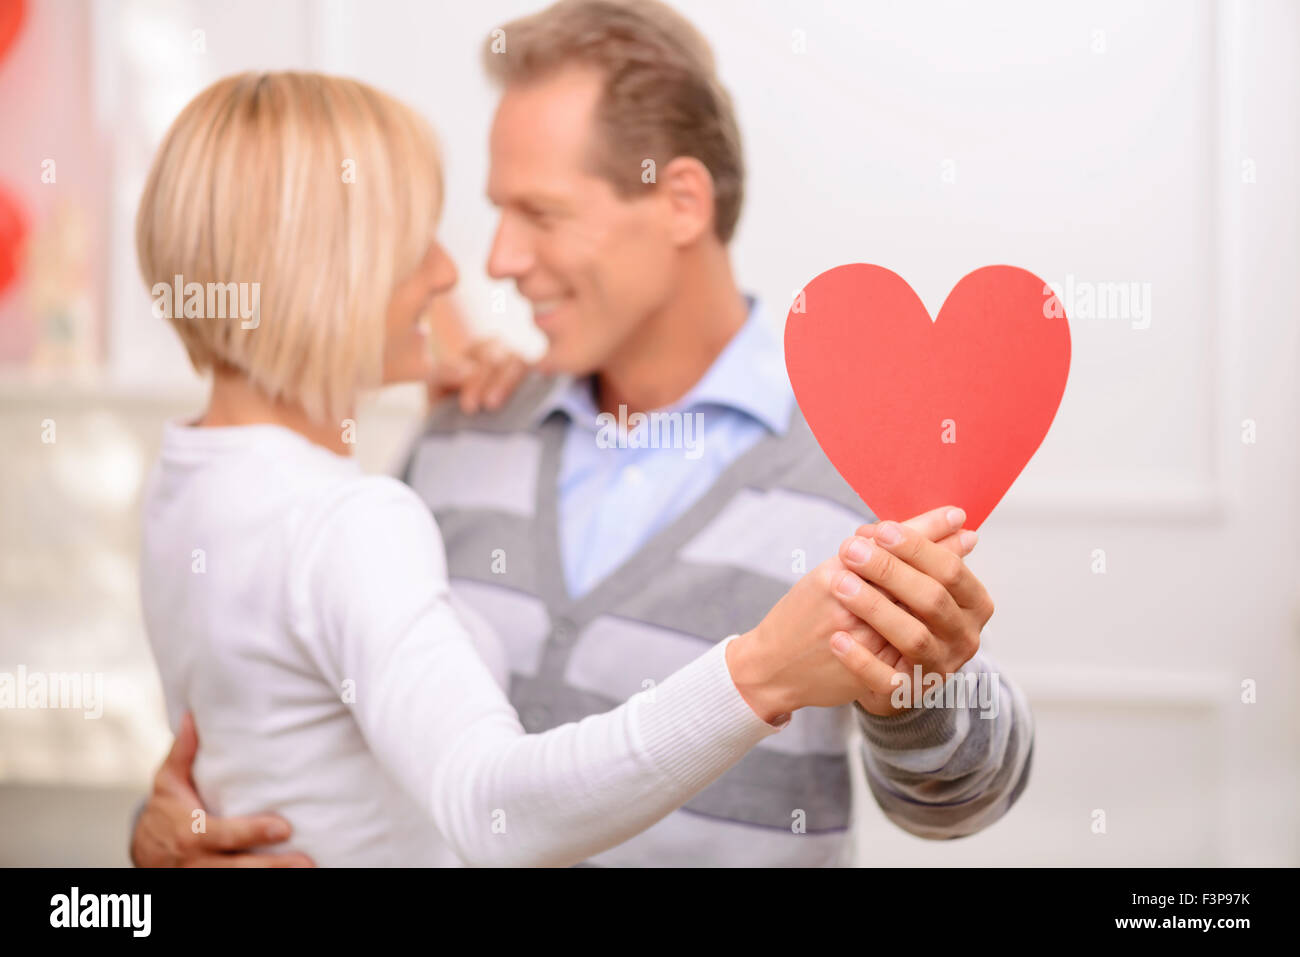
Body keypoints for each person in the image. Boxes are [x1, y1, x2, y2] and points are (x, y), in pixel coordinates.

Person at [132, 0, 1032, 868]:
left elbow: (966, 802)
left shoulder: (852, 453)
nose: (495, 261)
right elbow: (328, 711)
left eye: (542, 214)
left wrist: (920, 684)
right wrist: (181, 821)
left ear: (681, 201)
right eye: (495, 211)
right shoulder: (465, 432)